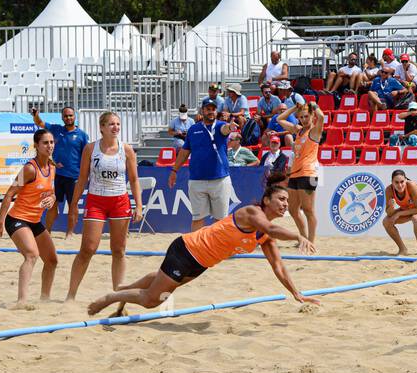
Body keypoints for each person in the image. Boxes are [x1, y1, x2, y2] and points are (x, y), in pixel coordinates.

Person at [87, 172, 318, 318]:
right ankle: (111, 298)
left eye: (287, 200)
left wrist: (297, 294)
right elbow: (270, 228)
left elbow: (278, 267)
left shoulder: (265, 238)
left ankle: (122, 291)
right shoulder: (252, 213)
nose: (285, 204)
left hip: (200, 264)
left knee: (161, 282)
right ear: (267, 200)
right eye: (281, 199)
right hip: (187, 250)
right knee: (152, 300)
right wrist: (299, 237)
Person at [65, 111, 142, 300]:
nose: (115, 127)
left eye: (118, 124)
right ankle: (71, 295)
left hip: (119, 200)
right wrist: (74, 205)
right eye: (111, 124)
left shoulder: (127, 149)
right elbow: (82, 178)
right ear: (101, 128)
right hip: (96, 200)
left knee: (118, 250)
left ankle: (118, 295)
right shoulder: (91, 149)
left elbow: (133, 179)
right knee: (88, 249)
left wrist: (138, 205)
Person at [0, 128, 59, 305]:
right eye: (45, 142)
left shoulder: (52, 167)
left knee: (52, 260)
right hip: (17, 219)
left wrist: (52, 199)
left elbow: (51, 193)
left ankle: (45, 299)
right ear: (36, 145)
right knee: (31, 255)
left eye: (51, 142)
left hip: (34, 221)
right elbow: (9, 194)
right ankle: (22, 301)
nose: (49, 146)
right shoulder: (29, 169)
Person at [169, 98, 234, 232]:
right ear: (202, 111)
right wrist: (174, 170)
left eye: (213, 109)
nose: (211, 111)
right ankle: (196, 250)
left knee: (220, 220)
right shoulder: (193, 129)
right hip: (197, 180)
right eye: (208, 109)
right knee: (197, 219)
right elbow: (184, 152)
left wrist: (230, 127)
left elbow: (225, 129)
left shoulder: (220, 125)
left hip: (219, 179)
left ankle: (217, 251)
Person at [29, 106, 89, 236]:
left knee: (72, 206)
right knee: (52, 204)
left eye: (70, 115)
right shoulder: (56, 129)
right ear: (62, 117)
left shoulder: (82, 135)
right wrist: (35, 115)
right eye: (66, 116)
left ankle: (70, 233)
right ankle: (48, 232)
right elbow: (39, 123)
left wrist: (85, 175)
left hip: (74, 177)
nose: (68, 118)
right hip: (57, 176)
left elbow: (86, 156)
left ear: (75, 117)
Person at [287, 100, 325, 245]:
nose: (303, 120)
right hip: (295, 172)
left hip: (309, 172)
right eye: (301, 117)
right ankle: (303, 238)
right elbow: (279, 119)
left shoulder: (314, 131)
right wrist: (293, 108)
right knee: (292, 210)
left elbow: (321, 117)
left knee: (308, 210)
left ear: (311, 116)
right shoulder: (298, 131)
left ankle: (311, 242)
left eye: (306, 117)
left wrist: (314, 106)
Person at [382, 169, 417, 255]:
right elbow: (389, 213)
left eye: (402, 182)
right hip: (407, 209)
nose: (400, 185)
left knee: (416, 218)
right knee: (386, 222)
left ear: (406, 180)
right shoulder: (389, 190)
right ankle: (403, 249)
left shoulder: (411, 185)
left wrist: (399, 213)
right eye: (396, 182)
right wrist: (391, 207)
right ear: (392, 182)